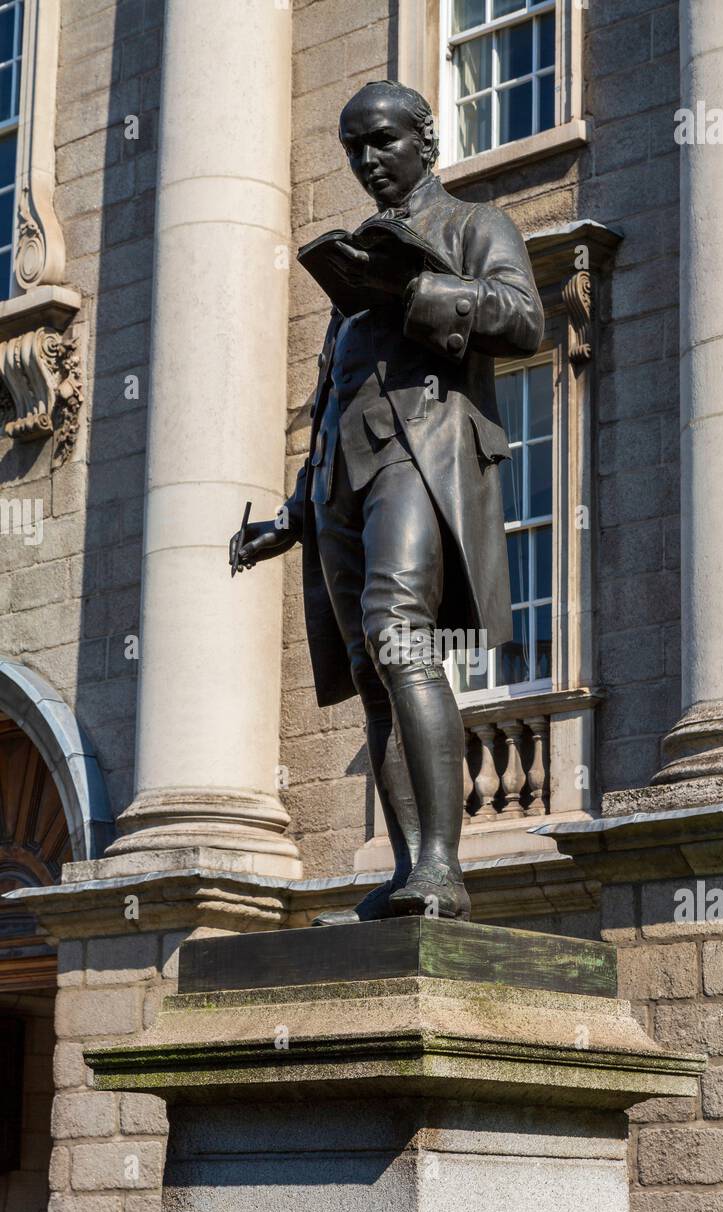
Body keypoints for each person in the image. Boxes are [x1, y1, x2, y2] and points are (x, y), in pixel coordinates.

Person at [229, 79, 544, 922]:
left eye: (381, 142)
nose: (367, 160)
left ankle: (443, 867)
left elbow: (524, 319)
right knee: (374, 672)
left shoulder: (477, 225)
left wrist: (414, 294)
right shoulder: (359, 264)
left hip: (423, 453)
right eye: (352, 148)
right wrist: (289, 516)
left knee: (400, 634)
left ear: (425, 141)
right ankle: (409, 868)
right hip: (343, 479)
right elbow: (336, 398)